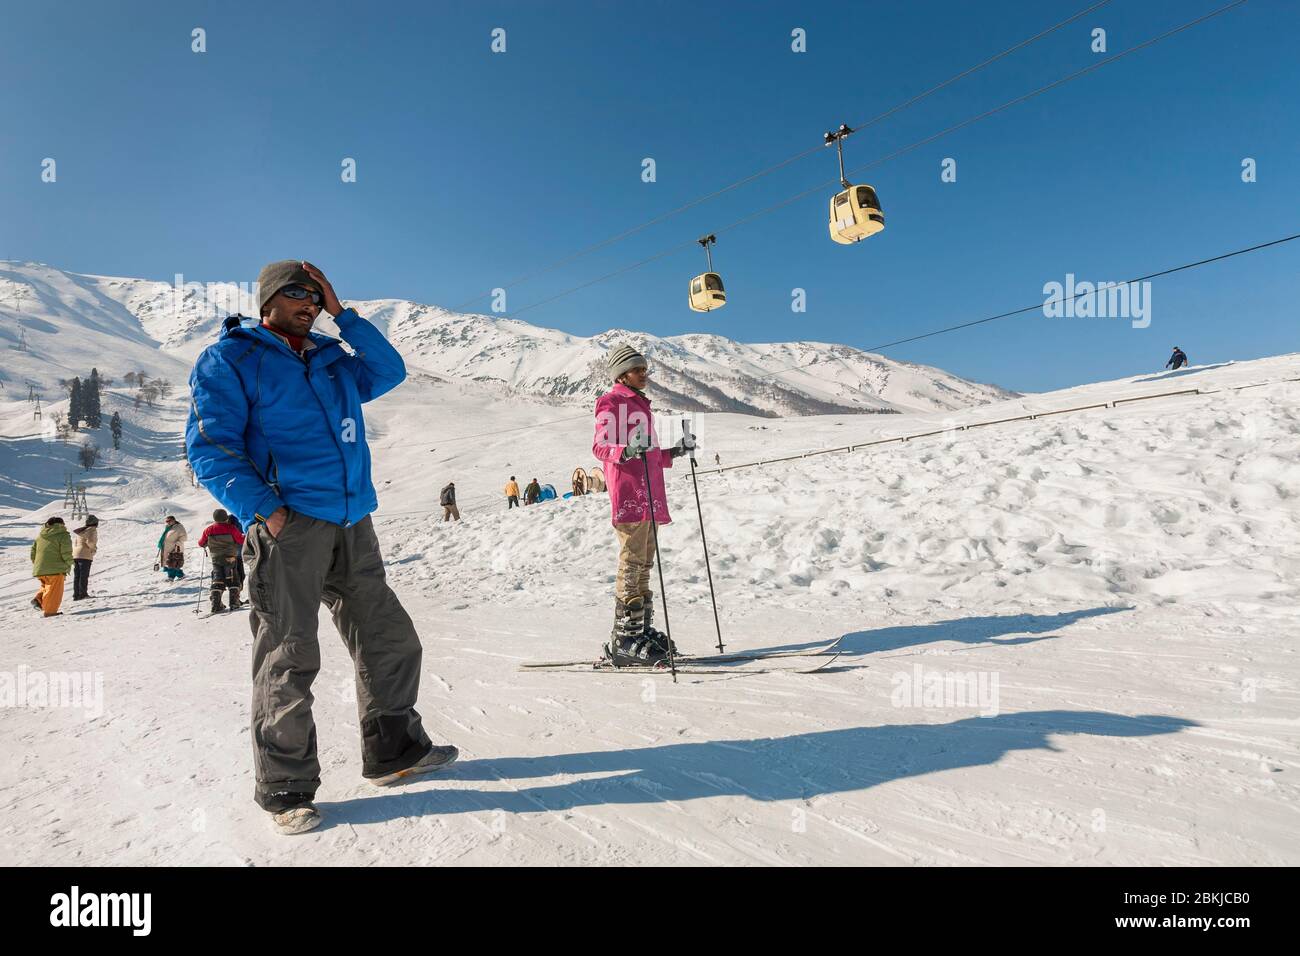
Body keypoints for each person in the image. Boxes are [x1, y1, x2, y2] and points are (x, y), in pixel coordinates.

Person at [185, 259, 456, 836]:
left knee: (389, 637)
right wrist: (268, 510)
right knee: (289, 652)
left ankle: (393, 750)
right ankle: (285, 787)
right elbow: (210, 446)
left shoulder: (334, 359)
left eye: (315, 294)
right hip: (289, 524)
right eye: (297, 293)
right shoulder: (233, 357)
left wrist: (344, 313)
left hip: (352, 520)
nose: (308, 302)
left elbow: (390, 370)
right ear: (267, 300)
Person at [592, 344, 695, 665]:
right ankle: (625, 637)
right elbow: (601, 446)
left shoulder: (641, 406)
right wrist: (623, 450)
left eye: (645, 369)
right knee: (633, 563)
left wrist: (674, 452)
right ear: (623, 374)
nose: (644, 374)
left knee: (644, 565)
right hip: (630, 497)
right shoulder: (611, 402)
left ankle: (639, 629)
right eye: (639, 370)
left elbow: (647, 453)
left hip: (650, 495)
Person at [199, 509, 246, 613]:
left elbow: (201, 543)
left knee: (217, 578)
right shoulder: (231, 528)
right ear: (226, 518)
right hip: (230, 557)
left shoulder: (209, 529)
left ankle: (216, 604)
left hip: (216, 558)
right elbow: (240, 540)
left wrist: (207, 542)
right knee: (233, 577)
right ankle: (234, 602)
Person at [31, 516, 73, 617]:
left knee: (46, 587)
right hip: (55, 569)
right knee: (54, 592)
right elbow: (66, 552)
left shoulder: (40, 536)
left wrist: (39, 565)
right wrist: (70, 562)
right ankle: (50, 612)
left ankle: (39, 599)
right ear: (61, 524)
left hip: (40, 569)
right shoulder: (63, 535)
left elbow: (33, 553)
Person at [70, 514, 99, 601]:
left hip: (76, 554)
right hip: (85, 555)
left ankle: (76, 594)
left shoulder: (81, 531)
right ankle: (83, 594)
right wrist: (93, 550)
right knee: (83, 575)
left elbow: (76, 543)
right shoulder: (92, 530)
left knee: (77, 576)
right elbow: (90, 542)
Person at [156, 516, 187, 581]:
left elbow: (184, 537)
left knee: (172, 563)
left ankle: (171, 577)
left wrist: (177, 543)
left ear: (174, 520)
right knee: (169, 563)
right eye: (166, 521)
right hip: (166, 548)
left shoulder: (179, 527)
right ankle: (180, 575)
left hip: (174, 548)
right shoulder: (168, 527)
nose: (168, 522)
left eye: (169, 521)